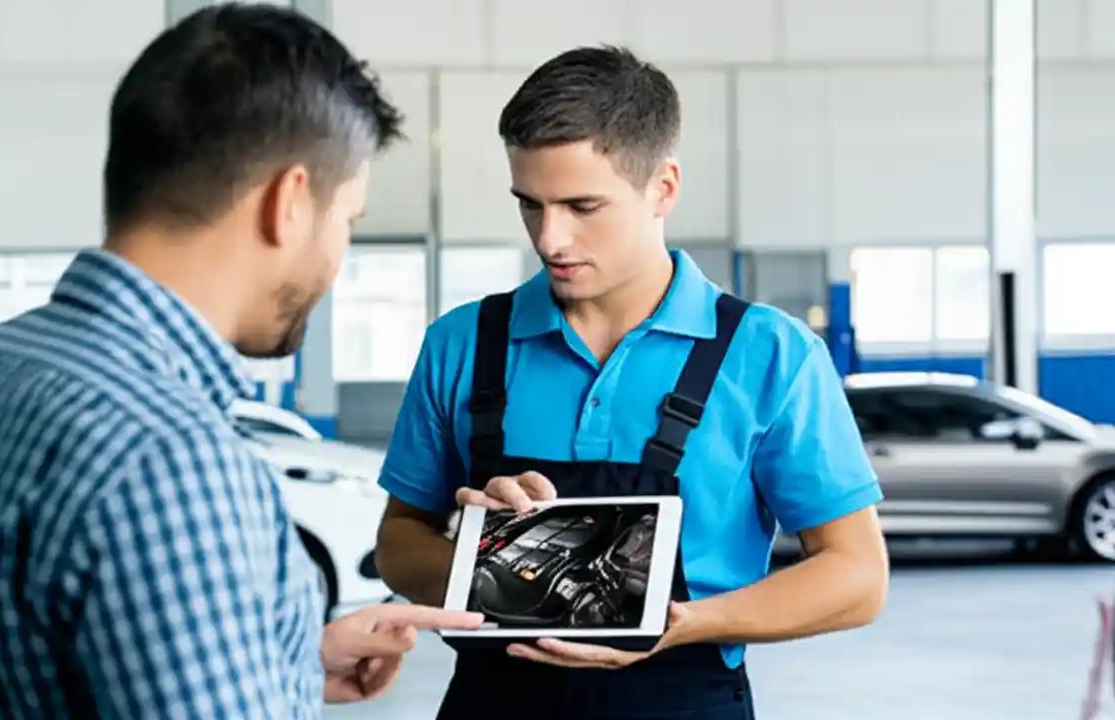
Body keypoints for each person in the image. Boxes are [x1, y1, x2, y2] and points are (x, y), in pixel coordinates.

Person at [0, 5, 482, 718]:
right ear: (288, 203)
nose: (338, 258)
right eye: (346, 222)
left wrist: (282, 663)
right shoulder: (172, 458)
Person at [374, 45, 889, 719]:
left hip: (682, 695)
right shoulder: (462, 344)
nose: (550, 238)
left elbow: (857, 576)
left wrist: (682, 623)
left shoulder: (770, 356)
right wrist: (489, 560)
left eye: (583, 205)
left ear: (664, 188)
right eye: (530, 204)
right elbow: (397, 542)